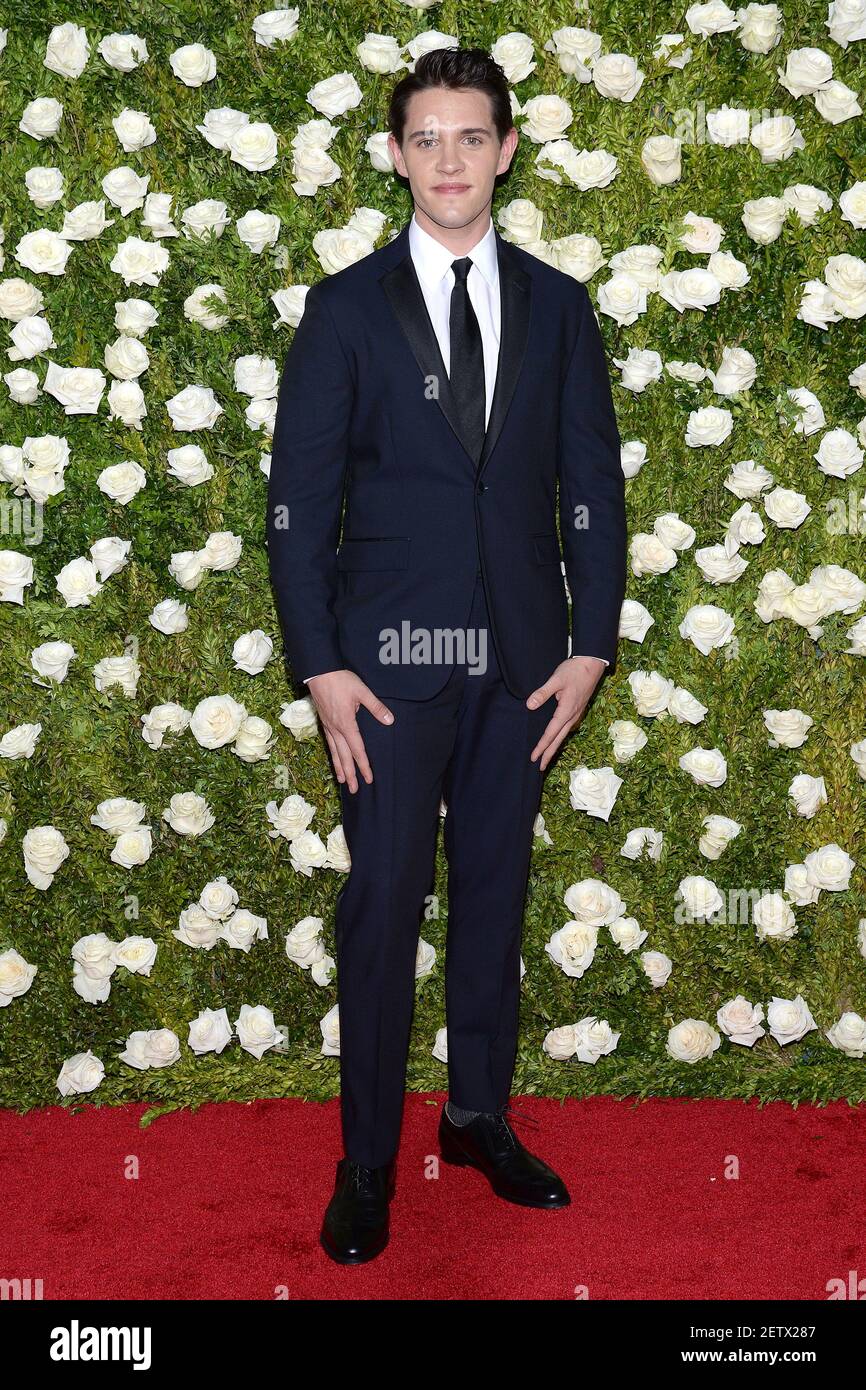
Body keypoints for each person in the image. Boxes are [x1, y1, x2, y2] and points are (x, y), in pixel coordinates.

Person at [266, 46, 627, 1264]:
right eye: (425, 137)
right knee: (379, 906)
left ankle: (476, 1117)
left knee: (493, 894)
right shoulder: (344, 308)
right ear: (393, 155)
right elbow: (298, 502)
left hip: (521, 668)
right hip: (383, 671)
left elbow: (592, 487)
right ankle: (367, 1159)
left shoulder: (558, 306)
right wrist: (319, 666)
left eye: (470, 135)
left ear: (506, 148)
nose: (449, 159)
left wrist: (590, 645)